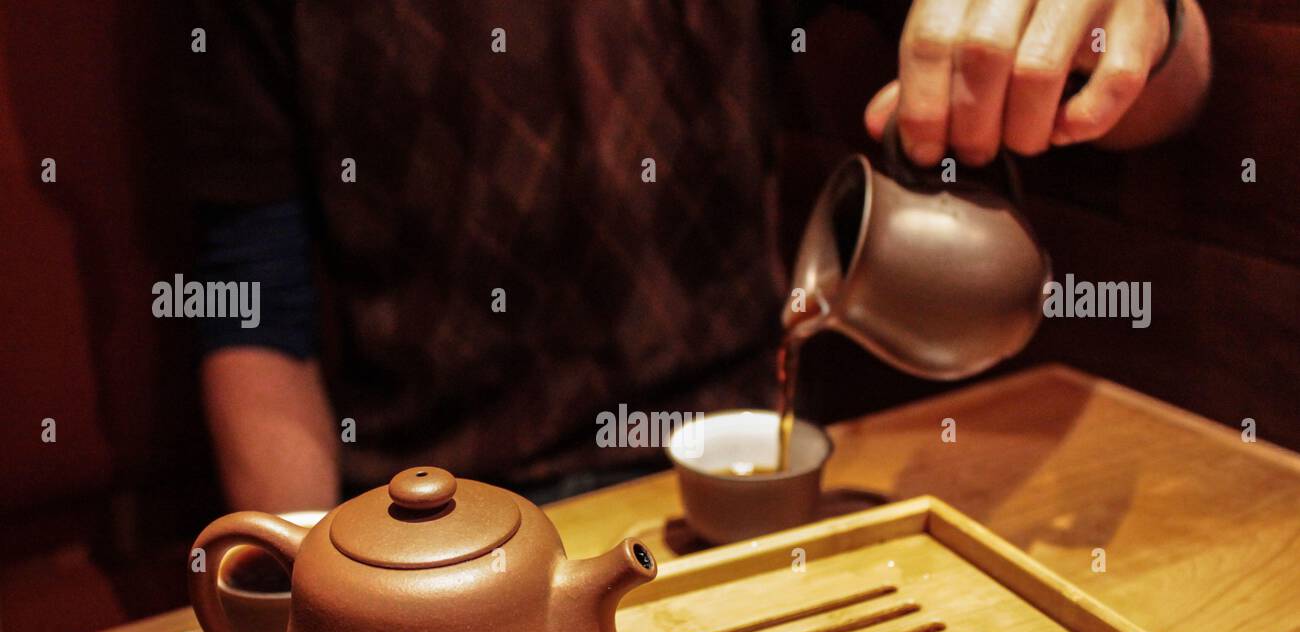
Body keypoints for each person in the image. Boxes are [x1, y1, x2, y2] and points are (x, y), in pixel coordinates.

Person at [180, 0, 1210, 513]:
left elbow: (1175, 86)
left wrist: (1142, 27)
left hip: (737, 468)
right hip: (433, 502)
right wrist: (318, 577)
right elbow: (251, 304)